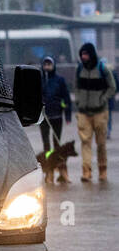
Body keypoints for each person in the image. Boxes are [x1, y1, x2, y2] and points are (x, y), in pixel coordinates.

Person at [75, 42, 115, 182]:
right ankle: (86, 172)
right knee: (85, 142)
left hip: (100, 112)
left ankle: (102, 170)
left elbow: (112, 87)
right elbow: (76, 86)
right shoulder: (79, 68)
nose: (83, 57)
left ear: (91, 54)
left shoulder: (103, 69)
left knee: (101, 143)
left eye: (86, 54)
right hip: (83, 112)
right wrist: (78, 101)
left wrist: (103, 98)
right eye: (82, 54)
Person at [40, 55, 72, 184]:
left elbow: (66, 98)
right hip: (44, 117)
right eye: (45, 64)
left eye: (49, 64)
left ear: (53, 66)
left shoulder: (60, 80)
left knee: (57, 145)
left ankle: (63, 173)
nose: (47, 67)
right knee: (47, 146)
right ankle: (49, 172)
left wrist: (67, 115)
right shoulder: (40, 80)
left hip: (57, 117)